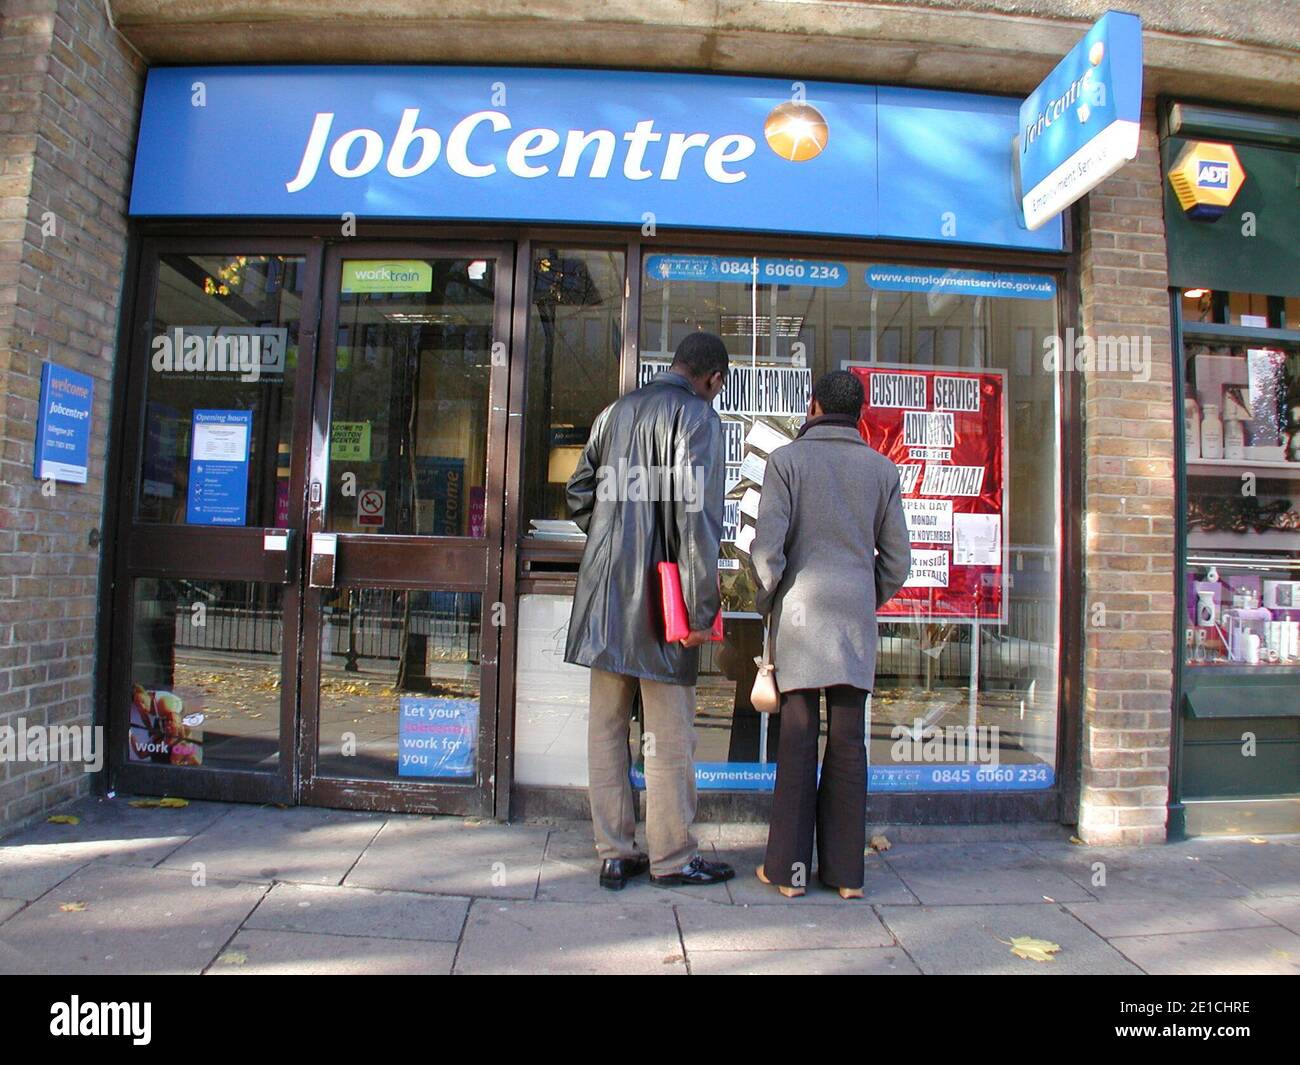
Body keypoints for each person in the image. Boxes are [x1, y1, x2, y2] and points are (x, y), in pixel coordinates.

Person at [565, 331, 735, 890]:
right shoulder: (698, 420)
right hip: (666, 605)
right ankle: (672, 857)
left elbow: (578, 493)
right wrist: (701, 610)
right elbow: (698, 523)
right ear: (711, 378)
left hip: (605, 597)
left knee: (606, 730)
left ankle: (614, 853)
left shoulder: (614, 413)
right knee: (668, 736)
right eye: (717, 388)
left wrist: (613, 541)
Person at [750, 370, 911, 899]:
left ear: (813, 404)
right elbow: (898, 561)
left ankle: (787, 874)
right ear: (859, 412)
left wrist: (766, 602)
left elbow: (767, 552)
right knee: (848, 743)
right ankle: (846, 876)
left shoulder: (787, 461)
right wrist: (865, 597)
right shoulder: (882, 470)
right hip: (853, 623)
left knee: (797, 742)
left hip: (798, 618)